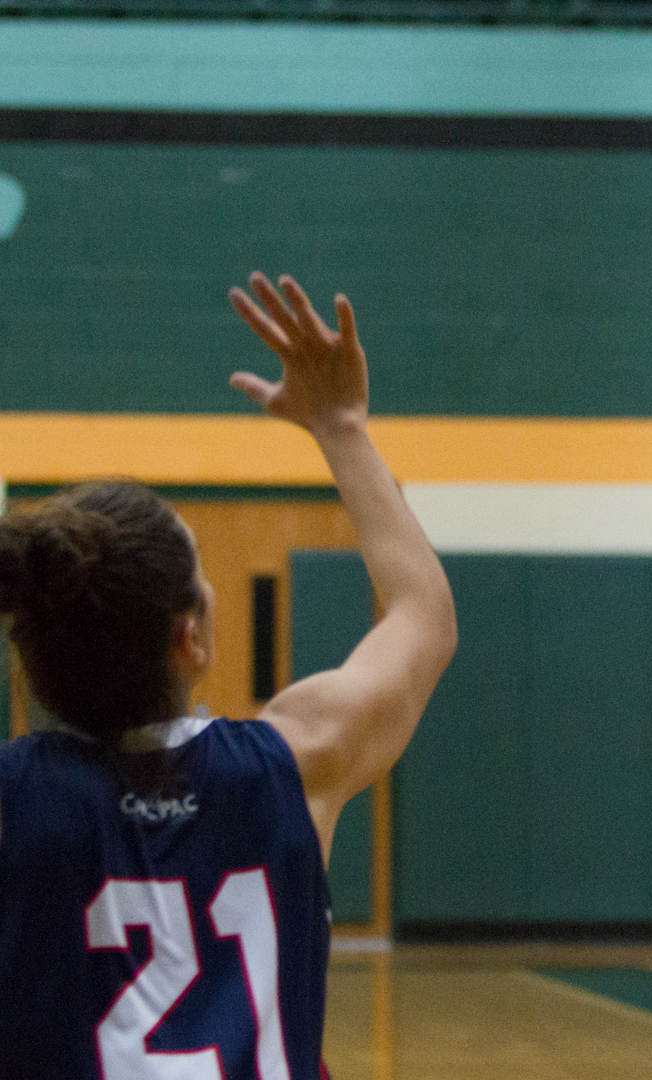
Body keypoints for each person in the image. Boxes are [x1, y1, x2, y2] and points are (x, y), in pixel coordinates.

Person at [0, 273, 457, 1077]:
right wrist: (341, 427)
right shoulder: (296, 760)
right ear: (193, 638)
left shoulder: (16, 802)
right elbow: (422, 615)